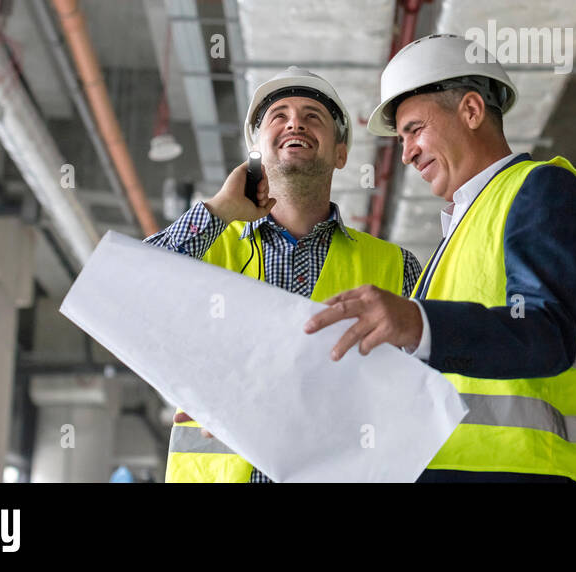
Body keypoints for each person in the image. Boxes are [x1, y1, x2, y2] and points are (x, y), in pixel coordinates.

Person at [304, 34, 576, 482]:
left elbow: (547, 335)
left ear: (471, 111)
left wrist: (417, 322)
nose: (407, 152)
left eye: (414, 129)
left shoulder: (540, 189)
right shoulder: (459, 234)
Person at [144, 67, 421, 482]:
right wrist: (218, 210)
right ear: (255, 149)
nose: (295, 122)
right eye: (279, 115)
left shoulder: (397, 268)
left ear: (341, 154)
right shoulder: (208, 246)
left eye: (313, 116)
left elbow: (421, 397)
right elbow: (128, 291)